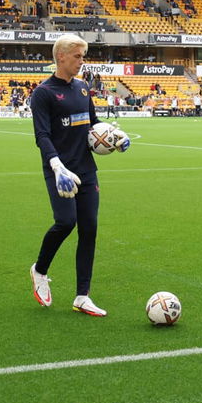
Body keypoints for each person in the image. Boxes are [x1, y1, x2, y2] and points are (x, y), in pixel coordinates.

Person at [28, 34, 127, 318]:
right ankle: (40, 270)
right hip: (59, 169)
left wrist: (116, 138)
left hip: (86, 168)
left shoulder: (83, 88)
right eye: (77, 56)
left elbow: (93, 125)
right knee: (65, 222)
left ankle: (82, 296)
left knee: (89, 229)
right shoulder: (44, 93)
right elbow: (42, 135)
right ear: (61, 57)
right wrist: (57, 166)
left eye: (83, 56)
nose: (82, 62)